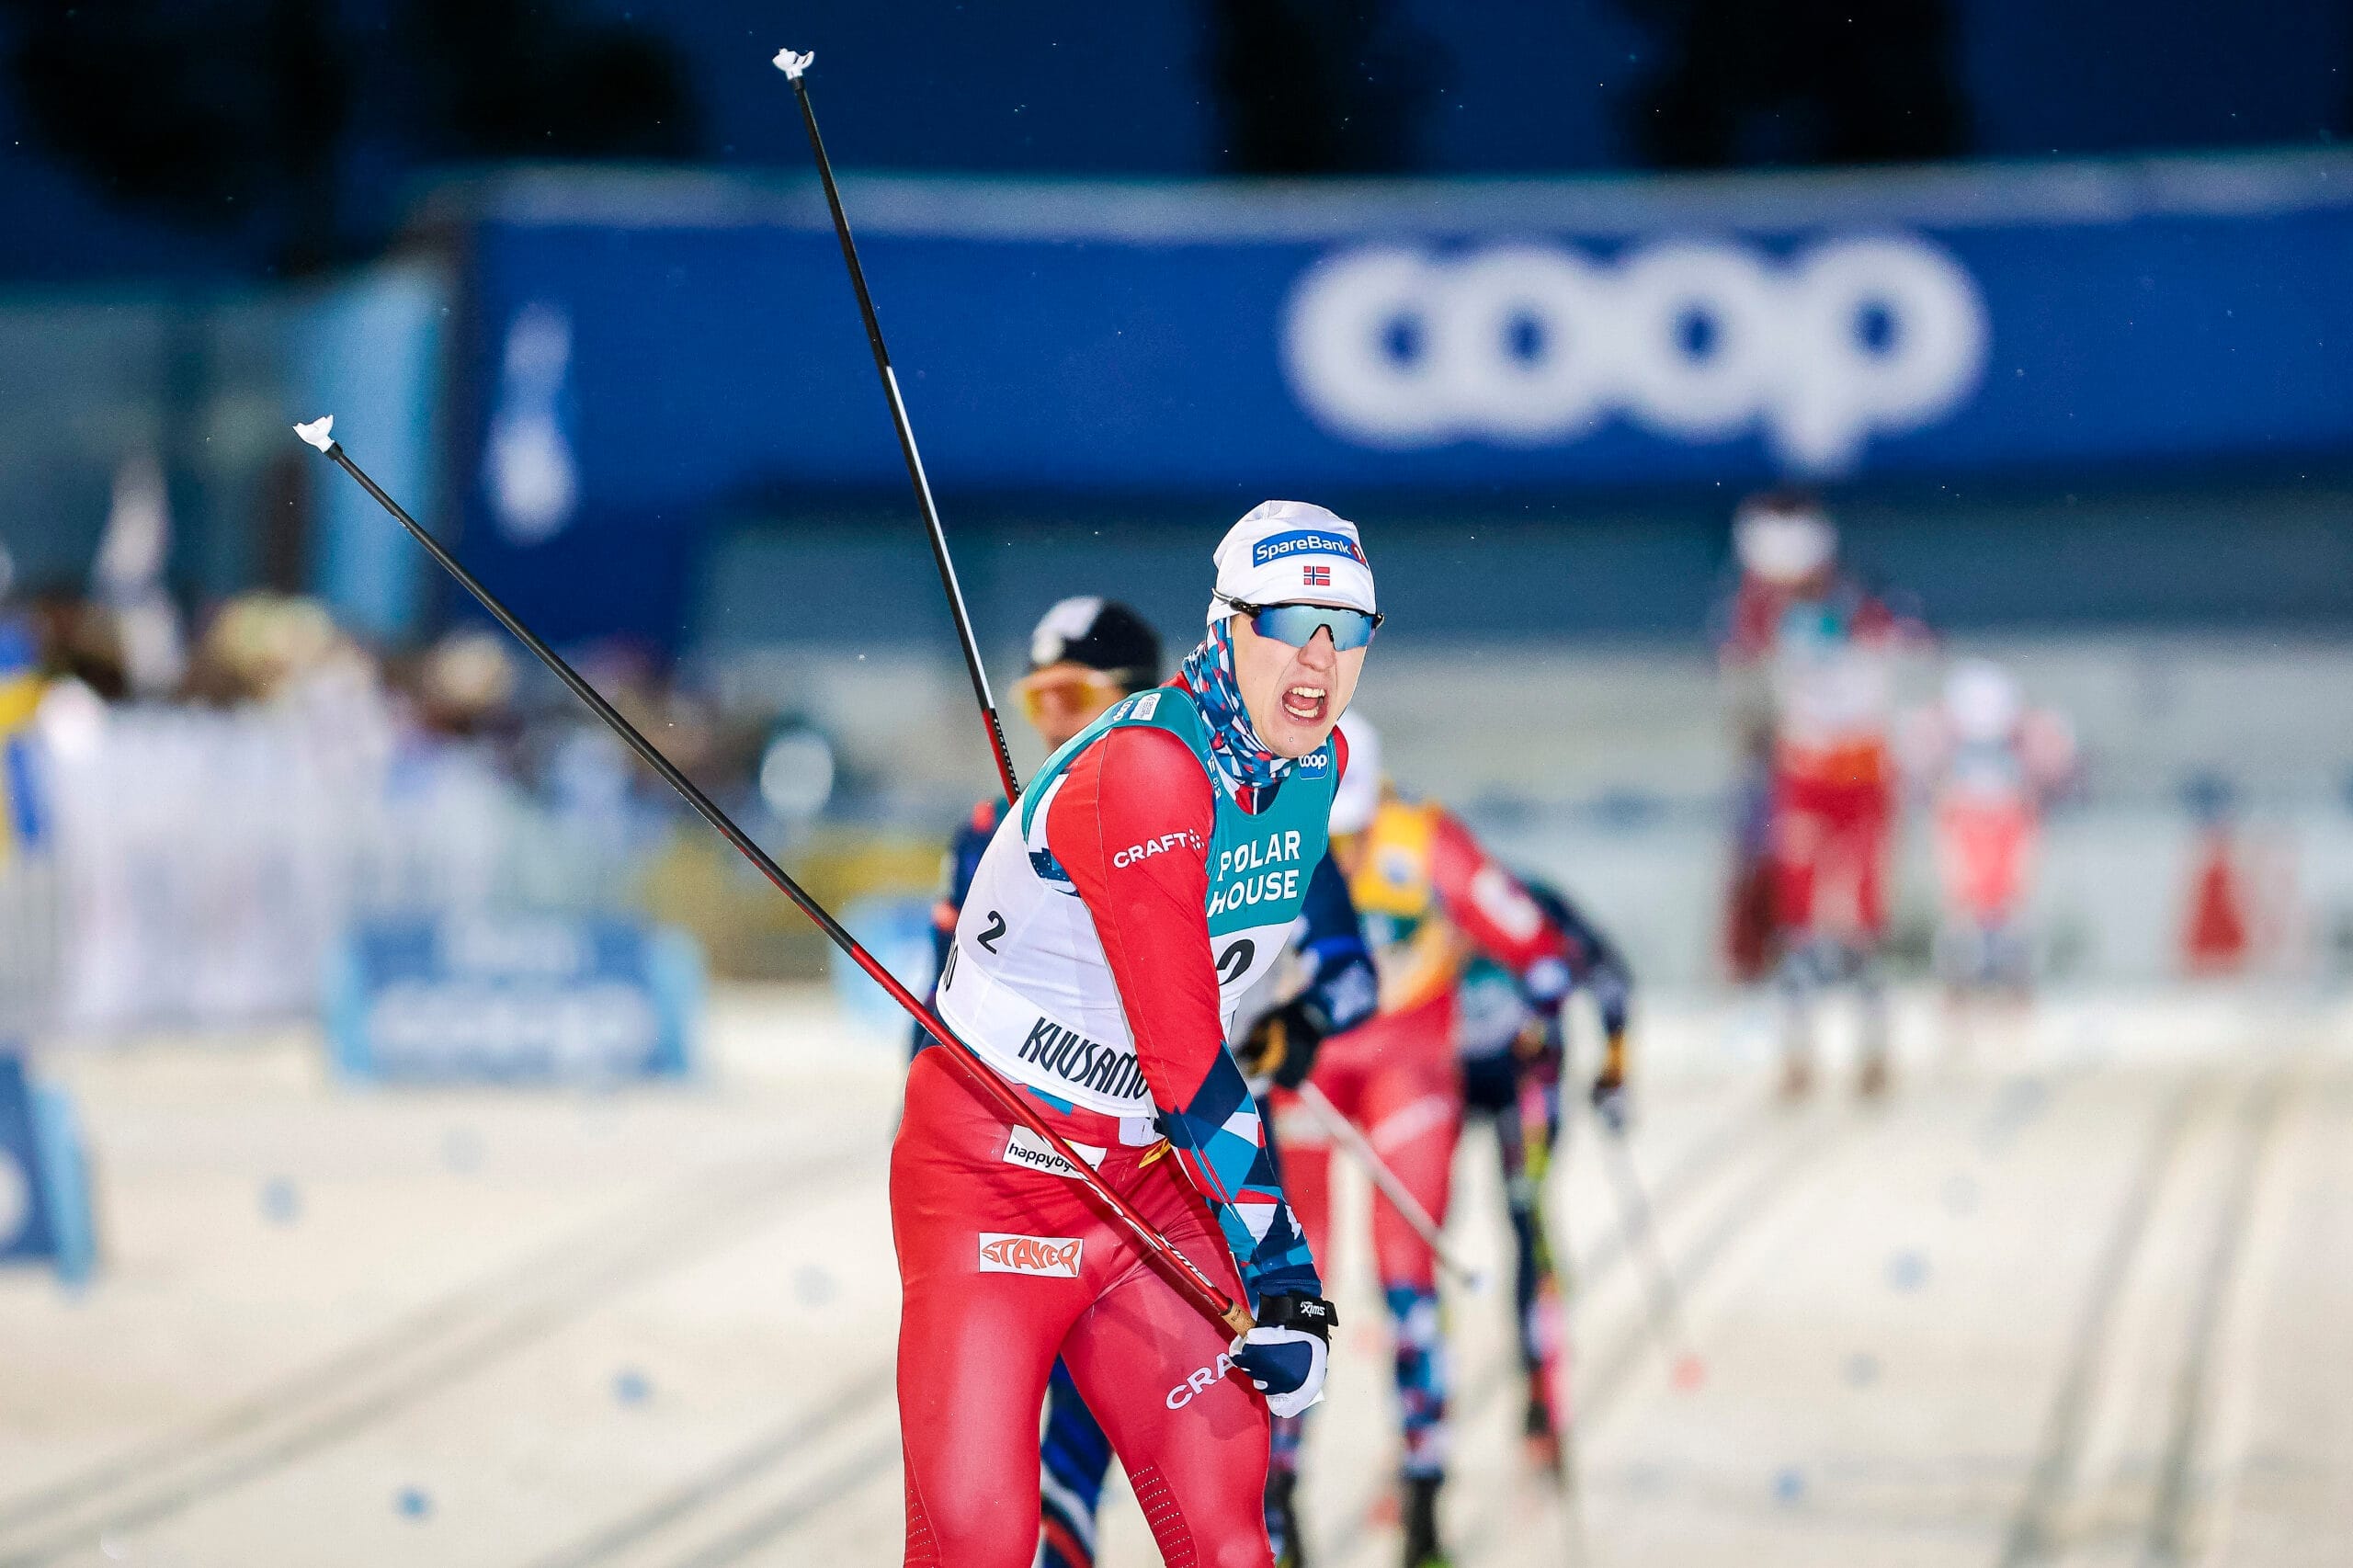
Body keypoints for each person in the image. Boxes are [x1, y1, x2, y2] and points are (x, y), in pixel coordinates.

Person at [895, 500, 1378, 1568]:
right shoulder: (1149, 767)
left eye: (1347, 631)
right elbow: (1183, 1062)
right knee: (976, 1542)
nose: (1319, 658)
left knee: (1225, 1531)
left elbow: (1305, 982)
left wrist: (1303, 1021)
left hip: (1148, 1178)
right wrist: (1283, 1270)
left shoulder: (1315, 766)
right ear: (1225, 624)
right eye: (1293, 621)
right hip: (997, 1173)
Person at [1267, 712, 1579, 1568]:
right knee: (1296, 1286)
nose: (1344, 855)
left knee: (1408, 1280)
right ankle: (1283, 1502)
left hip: (1411, 1072)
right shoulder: (1260, 832)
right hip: (1311, 1074)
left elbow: (1539, 945)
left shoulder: (1424, 838)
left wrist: (1539, 1020)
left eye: (1353, 831)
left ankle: (1425, 1498)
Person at [1716, 492, 1927, 1098]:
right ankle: (1798, 1049)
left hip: (1862, 777)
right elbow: (1745, 688)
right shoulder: (1755, 611)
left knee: (1861, 921)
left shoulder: (1866, 604)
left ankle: (1873, 1047)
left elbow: (1908, 648)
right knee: (1800, 921)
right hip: (1802, 778)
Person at [1454, 870, 1632, 1474]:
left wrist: (1614, 1069)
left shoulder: (1532, 900)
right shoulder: (1421, 895)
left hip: (1527, 1075)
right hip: (1442, 1076)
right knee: (1423, 1231)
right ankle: (1420, 1431)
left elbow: (1610, 976)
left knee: (1524, 1218)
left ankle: (1540, 1394)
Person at [1900, 659, 2075, 996]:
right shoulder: (1943, 724)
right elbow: (1917, 759)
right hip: (1967, 815)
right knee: (1964, 904)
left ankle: (2010, 975)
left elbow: (2054, 761)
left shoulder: (2022, 729)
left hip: (2003, 815)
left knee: (2010, 904)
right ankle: (1962, 977)